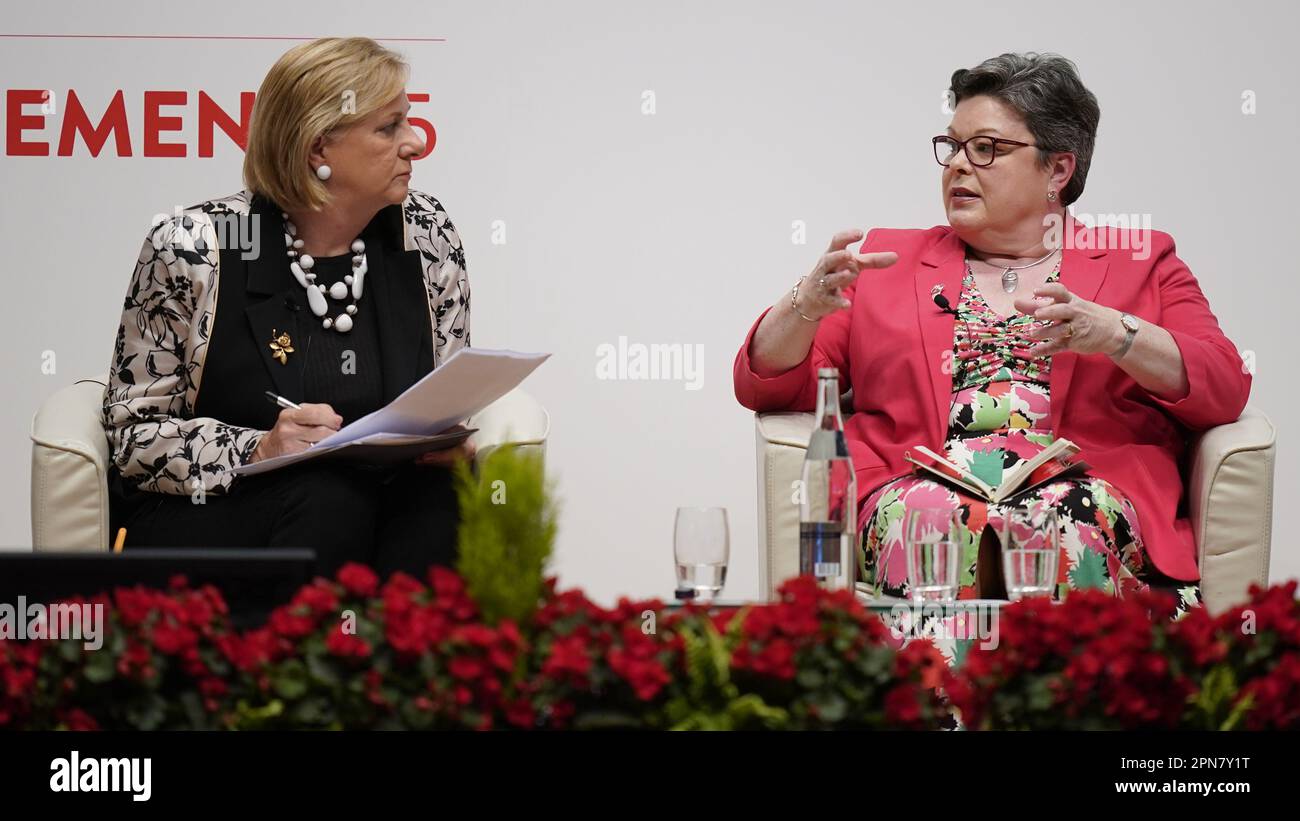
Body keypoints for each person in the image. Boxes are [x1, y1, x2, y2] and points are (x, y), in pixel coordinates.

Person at [733, 52, 1250, 613]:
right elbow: (766, 385)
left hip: (1081, 495)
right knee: (938, 516)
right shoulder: (890, 261)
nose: (957, 165)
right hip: (919, 492)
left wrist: (1118, 335)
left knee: (1057, 520)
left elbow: (1223, 387)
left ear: (1058, 169)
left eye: (986, 149)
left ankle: (1059, 697)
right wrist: (803, 306)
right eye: (952, 146)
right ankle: (936, 700)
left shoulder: (1141, 260)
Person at [103, 37, 473, 579]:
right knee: (328, 497)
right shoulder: (194, 246)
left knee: (437, 499)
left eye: (408, 121)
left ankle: (414, 657)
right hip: (217, 511)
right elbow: (131, 436)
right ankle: (293, 661)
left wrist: (451, 445)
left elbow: (446, 400)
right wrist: (258, 448)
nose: (415, 143)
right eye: (389, 127)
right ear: (318, 148)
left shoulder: (428, 235)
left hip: (384, 503)